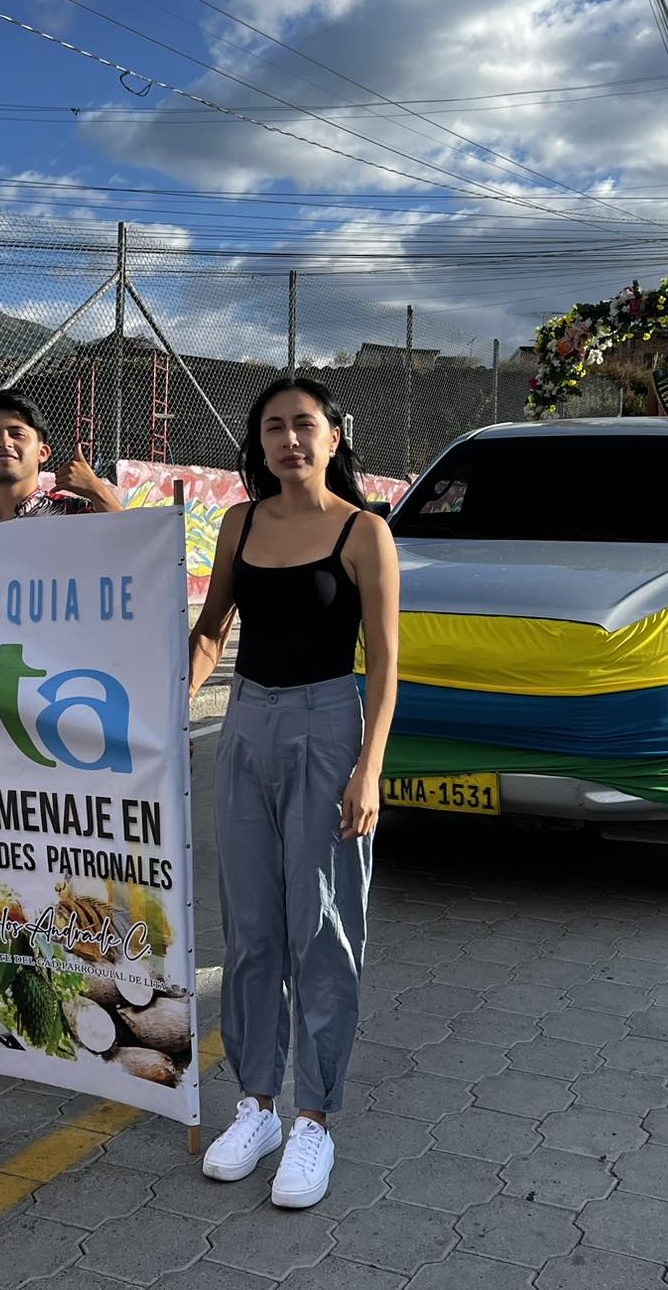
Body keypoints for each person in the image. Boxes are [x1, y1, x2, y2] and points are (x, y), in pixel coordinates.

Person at [188, 377, 399, 1210]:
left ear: (334, 437)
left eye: (304, 426)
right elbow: (212, 632)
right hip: (244, 729)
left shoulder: (363, 532)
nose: (289, 441)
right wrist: (177, 687)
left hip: (328, 726)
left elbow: (384, 665)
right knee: (249, 930)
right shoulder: (240, 523)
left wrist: (369, 769)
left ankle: (315, 1115)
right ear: (259, 442)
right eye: (273, 428)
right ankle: (257, 1105)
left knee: (321, 929)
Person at [0, 389, 122, 520]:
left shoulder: (78, 515)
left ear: (42, 452)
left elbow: (131, 544)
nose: (4, 442)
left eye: (17, 434)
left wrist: (97, 490)